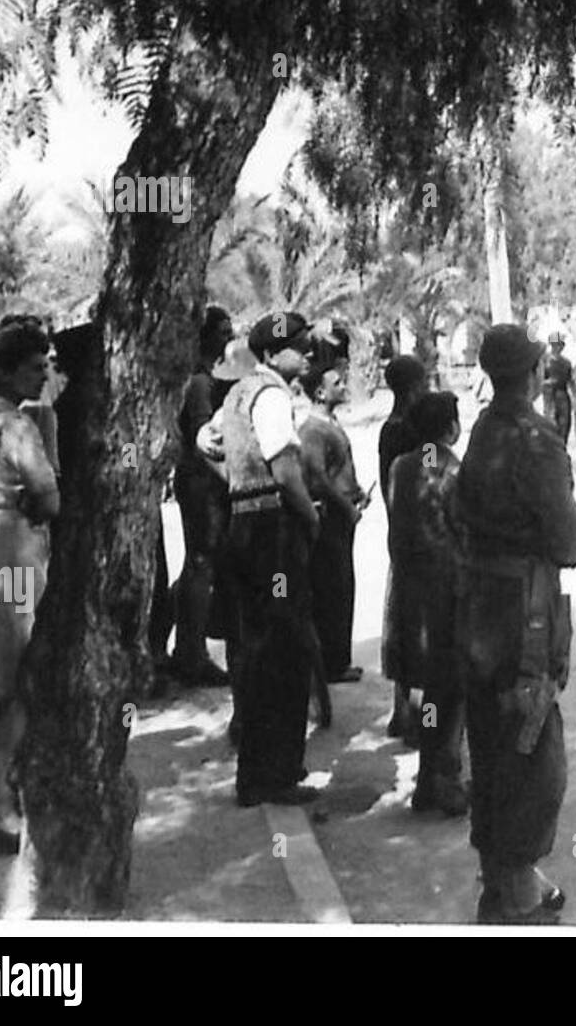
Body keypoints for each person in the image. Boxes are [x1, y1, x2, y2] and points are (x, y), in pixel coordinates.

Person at [450, 324, 576, 924]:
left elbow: (459, 510)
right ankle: (519, 900)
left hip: (479, 602)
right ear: (533, 374)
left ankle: (502, 881)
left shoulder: (483, 429)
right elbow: (565, 537)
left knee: (492, 742)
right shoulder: (536, 438)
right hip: (525, 608)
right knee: (534, 753)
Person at [0, 320, 60, 854]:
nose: (43, 374)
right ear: (5, 371)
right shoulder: (17, 427)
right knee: (12, 683)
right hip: (13, 549)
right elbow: (49, 498)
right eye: (33, 365)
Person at [221, 311, 320, 807]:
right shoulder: (274, 395)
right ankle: (274, 772)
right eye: (299, 345)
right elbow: (284, 468)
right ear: (272, 352)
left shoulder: (238, 392)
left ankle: (258, 767)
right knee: (285, 649)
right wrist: (309, 517)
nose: (307, 352)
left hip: (242, 526)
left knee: (258, 646)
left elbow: (211, 445)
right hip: (273, 536)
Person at [387, 391, 467, 816]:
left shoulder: (401, 466)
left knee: (427, 690)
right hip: (446, 593)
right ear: (450, 427)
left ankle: (428, 775)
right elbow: (464, 526)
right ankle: (443, 777)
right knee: (448, 694)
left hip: (408, 591)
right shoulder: (450, 469)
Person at [168, 306, 234, 687]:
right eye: (221, 331)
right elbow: (203, 441)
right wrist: (229, 479)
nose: (228, 337)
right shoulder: (198, 384)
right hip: (201, 483)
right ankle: (191, 654)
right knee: (200, 564)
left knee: (199, 564)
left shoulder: (203, 378)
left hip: (198, 482)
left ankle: (186, 647)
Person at [299, 362, 369, 684]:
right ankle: (331, 664)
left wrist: (356, 493)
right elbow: (317, 477)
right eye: (336, 382)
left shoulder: (330, 423)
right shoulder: (313, 430)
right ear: (319, 391)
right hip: (329, 517)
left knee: (342, 587)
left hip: (341, 513)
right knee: (332, 589)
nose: (343, 385)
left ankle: (338, 659)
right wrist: (347, 506)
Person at [379, 354, 427, 740]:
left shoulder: (386, 429)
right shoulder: (413, 432)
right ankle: (421, 717)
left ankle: (400, 708)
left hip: (398, 530)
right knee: (423, 630)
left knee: (400, 620)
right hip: (420, 537)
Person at [541, 334, 575, 446]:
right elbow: (539, 379)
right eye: (555, 345)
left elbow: (571, 381)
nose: (558, 347)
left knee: (564, 424)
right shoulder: (545, 361)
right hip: (549, 396)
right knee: (551, 423)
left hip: (562, 394)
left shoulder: (566, 363)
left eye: (560, 345)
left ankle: (562, 447)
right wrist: (548, 382)